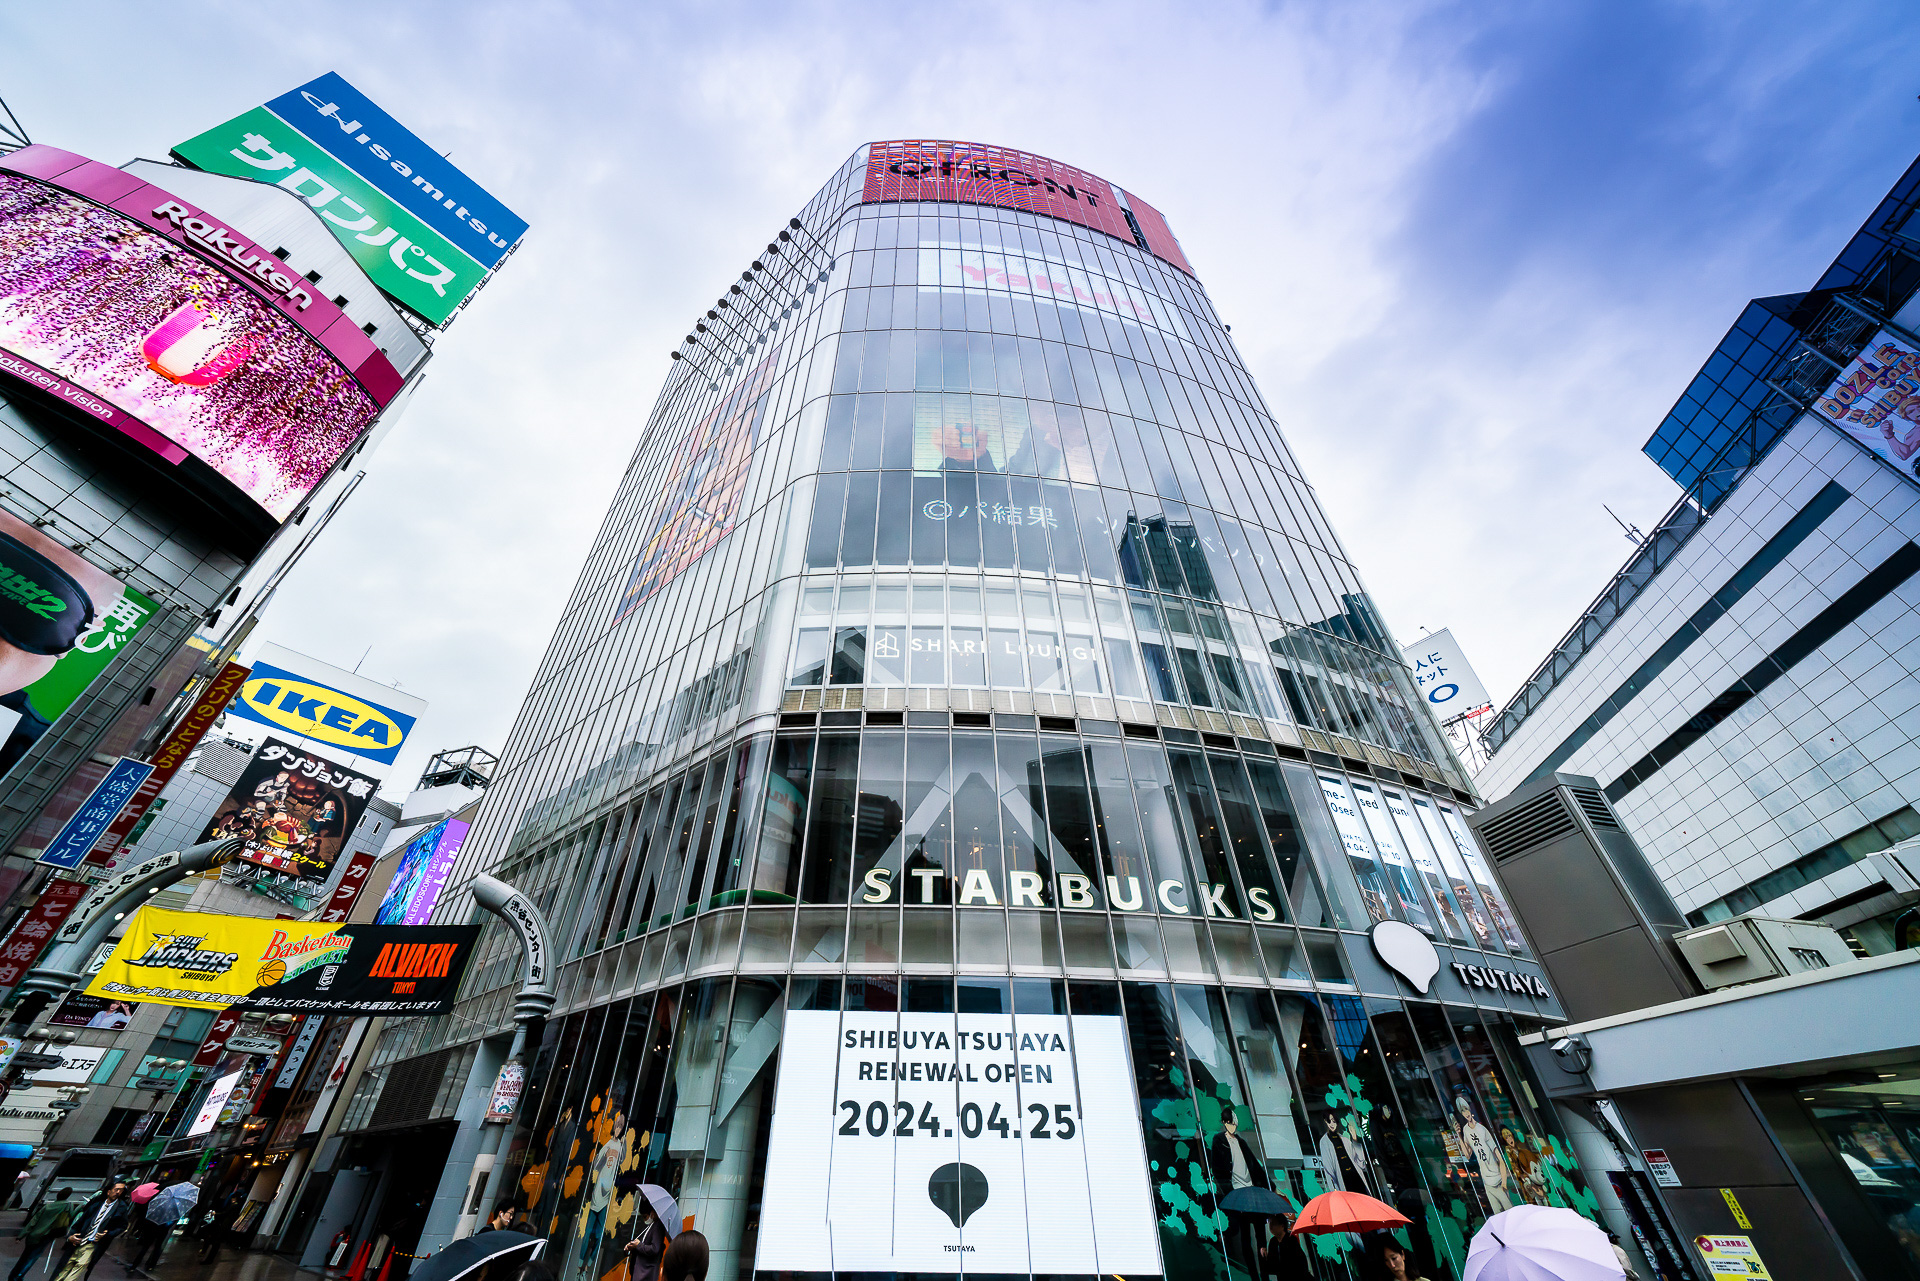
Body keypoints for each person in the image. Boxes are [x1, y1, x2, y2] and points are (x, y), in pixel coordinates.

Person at [53, 1183, 129, 1281]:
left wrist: (108, 1234)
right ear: (108, 1191)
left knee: (80, 1266)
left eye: (121, 1190)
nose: (118, 1192)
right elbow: (80, 1222)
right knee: (64, 1269)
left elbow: (122, 1226)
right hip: (78, 1240)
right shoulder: (96, 1204)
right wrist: (70, 1236)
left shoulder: (121, 1208)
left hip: (92, 1244)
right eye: (116, 1189)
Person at [11, 1188, 76, 1281]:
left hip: (34, 1235)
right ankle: (19, 1276)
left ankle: (13, 1275)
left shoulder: (47, 1206)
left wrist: (21, 1236)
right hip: (48, 1235)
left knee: (24, 1257)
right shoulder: (68, 1205)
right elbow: (71, 1216)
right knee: (33, 1258)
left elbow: (33, 1222)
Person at [622, 1203, 668, 1281]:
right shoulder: (651, 1226)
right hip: (640, 1272)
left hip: (646, 1274)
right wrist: (632, 1247)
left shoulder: (658, 1226)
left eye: (645, 1217)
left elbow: (654, 1249)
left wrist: (638, 1245)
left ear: (652, 1213)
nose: (644, 1220)